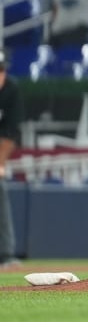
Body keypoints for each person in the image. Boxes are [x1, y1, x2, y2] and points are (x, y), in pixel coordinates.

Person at [0, 52, 21, 269]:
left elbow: (11, 132)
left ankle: (5, 255)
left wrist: (0, 163)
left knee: (0, 190)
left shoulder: (10, 90)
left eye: (1, 70)